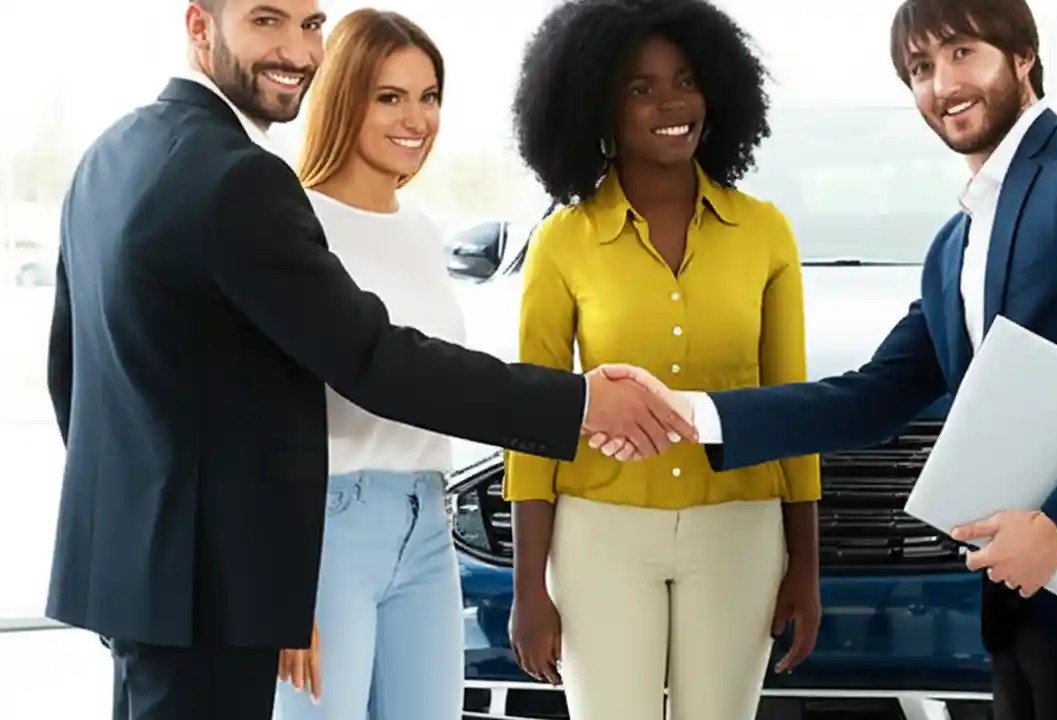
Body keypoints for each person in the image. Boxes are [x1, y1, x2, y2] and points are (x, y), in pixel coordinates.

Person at [43, 1, 694, 718]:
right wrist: (578, 404)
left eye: (312, 24)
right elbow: (373, 359)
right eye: (267, 21)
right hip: (219, 584)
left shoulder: (112, 153)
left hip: (148, 580)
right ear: (201, 27)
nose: (296, 49)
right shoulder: (237, 178)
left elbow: (72, 376)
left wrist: (143, 539)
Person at [598, 0, 1057, 717]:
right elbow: (870, 396)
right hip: (1024, 602)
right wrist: (692, 413)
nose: (941, 84)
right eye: (920, 68)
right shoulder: (954, 247)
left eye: (963, 53)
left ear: (1022, 55)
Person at [504, 2, 821, 719]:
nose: (671, 104)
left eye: (685, 81)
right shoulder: (563, 242)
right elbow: (533, 420)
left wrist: (805, 565)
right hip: (600, 533)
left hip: (739, 531)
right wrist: (531, 588)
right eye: (639, 88)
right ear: (595, 106)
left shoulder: (764, 233)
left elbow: (792, 407)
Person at [265, 9, 468, 719]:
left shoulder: (421, 233)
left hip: (427, 526)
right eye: (390, 96)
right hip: (327, 528)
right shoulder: (295, 222)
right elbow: (257, 410)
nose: (416, 118)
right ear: (345, 95)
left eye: (429, 95)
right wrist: (284, 588)